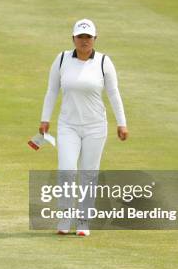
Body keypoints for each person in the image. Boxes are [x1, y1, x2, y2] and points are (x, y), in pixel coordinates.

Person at [39, 18, 128, 237]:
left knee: (89, 174)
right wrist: (44, 119)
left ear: (95, 39)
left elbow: (114, 94)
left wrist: (122, 122)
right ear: (73, 39)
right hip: (68, 125)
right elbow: (52, 90)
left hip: (95, 127)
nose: (84, 41)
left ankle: (83, 221)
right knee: (67, 170)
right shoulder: (61, 60)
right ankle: (65, 217)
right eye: (80, 37)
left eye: (88, 37)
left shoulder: (104, 62)